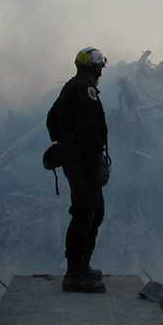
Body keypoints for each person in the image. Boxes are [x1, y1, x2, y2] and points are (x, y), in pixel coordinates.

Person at [47, 47, 109, 293]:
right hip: (84, 164)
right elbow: (90, 132)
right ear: (95, 68)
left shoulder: (71, 87)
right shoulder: (85, 90)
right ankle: (74, 274)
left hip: (76, 162)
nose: (101, 71)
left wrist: (63, 143)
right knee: (85, 214)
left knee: (94, 212)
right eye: (100, 67)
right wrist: (96, 160)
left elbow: (52, 118)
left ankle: (82, 266)